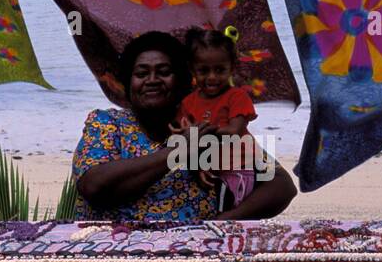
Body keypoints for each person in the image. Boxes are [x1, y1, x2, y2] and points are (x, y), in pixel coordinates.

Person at [72, 31, 296, 222]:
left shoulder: (206, 127)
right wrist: (179, 152)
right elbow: (93, 186)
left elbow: (281, 186)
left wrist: (222, 223)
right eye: (141, 74)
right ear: (128, 83)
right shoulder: (108, 123)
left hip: (193, 260)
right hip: (113, 260)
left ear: (183, 81)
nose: (152, 80)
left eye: (164, 72)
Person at [176, 27, 258, 209]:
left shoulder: (237, 97)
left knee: (228, 213)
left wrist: (198, 133)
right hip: (209, 168)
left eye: (220, 70)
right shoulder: (188, 103)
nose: (212, 77)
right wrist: (197, 166)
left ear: (232, 68)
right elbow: (185, 140)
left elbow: (233, 132)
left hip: (238, 169)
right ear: (192, 69)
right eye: (204, 71)